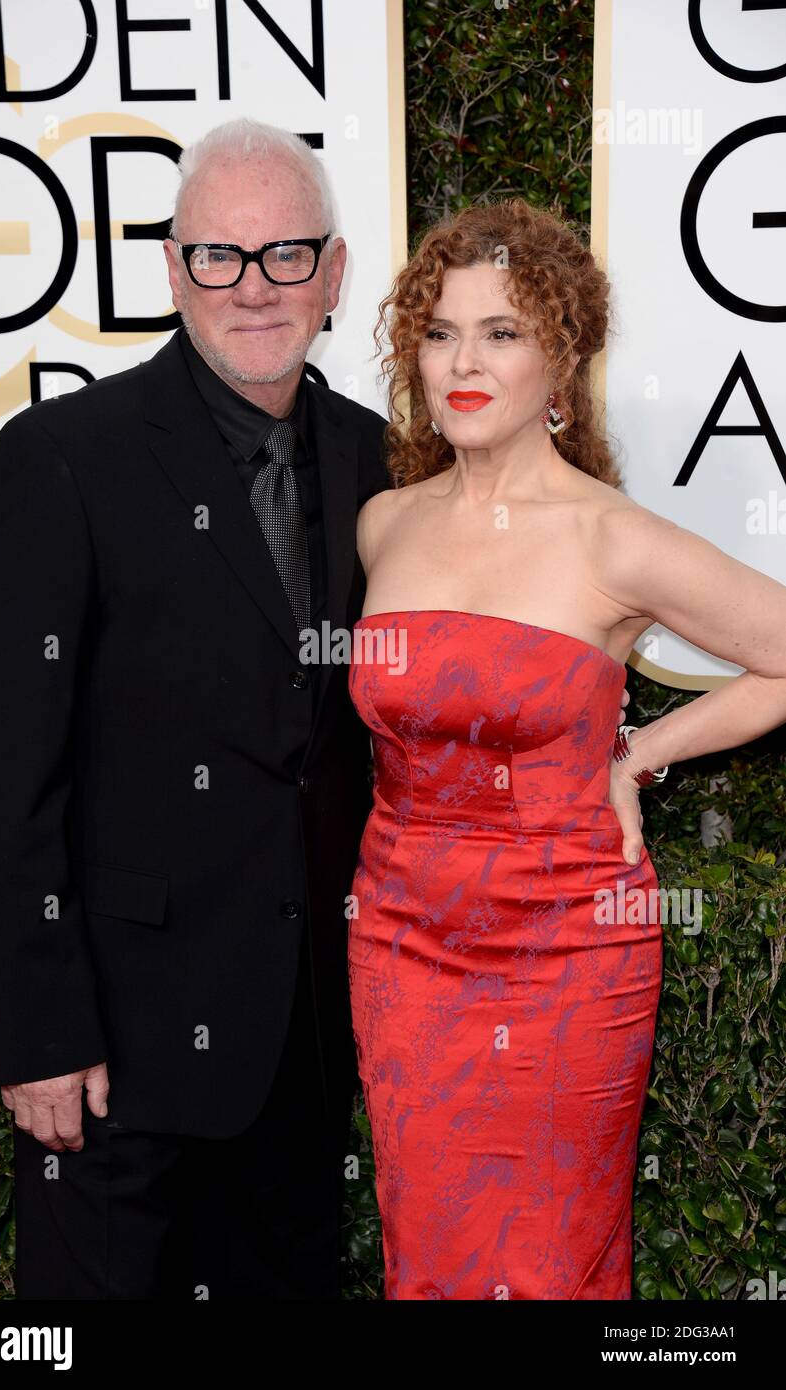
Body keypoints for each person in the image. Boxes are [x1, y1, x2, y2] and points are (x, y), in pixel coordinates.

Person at [0, 118, 390, 1299]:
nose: (254, 287)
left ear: (334, 273)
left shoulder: (378, 462)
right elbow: (1, 777)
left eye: (286, 254)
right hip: (116, 1056)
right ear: (173, 271)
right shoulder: (64, 458)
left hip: (305, 1045)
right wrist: (39, 1032)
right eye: (218, 257)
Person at [347, 196, 786, 1300]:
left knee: (549, 1257)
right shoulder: (384, 523)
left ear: (564, 355)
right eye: (439, 332)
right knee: (430, 1248)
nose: (463, 361)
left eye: (502, 332)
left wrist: (641, 753)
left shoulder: (610, 537)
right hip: (400, 940)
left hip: (566, 952)